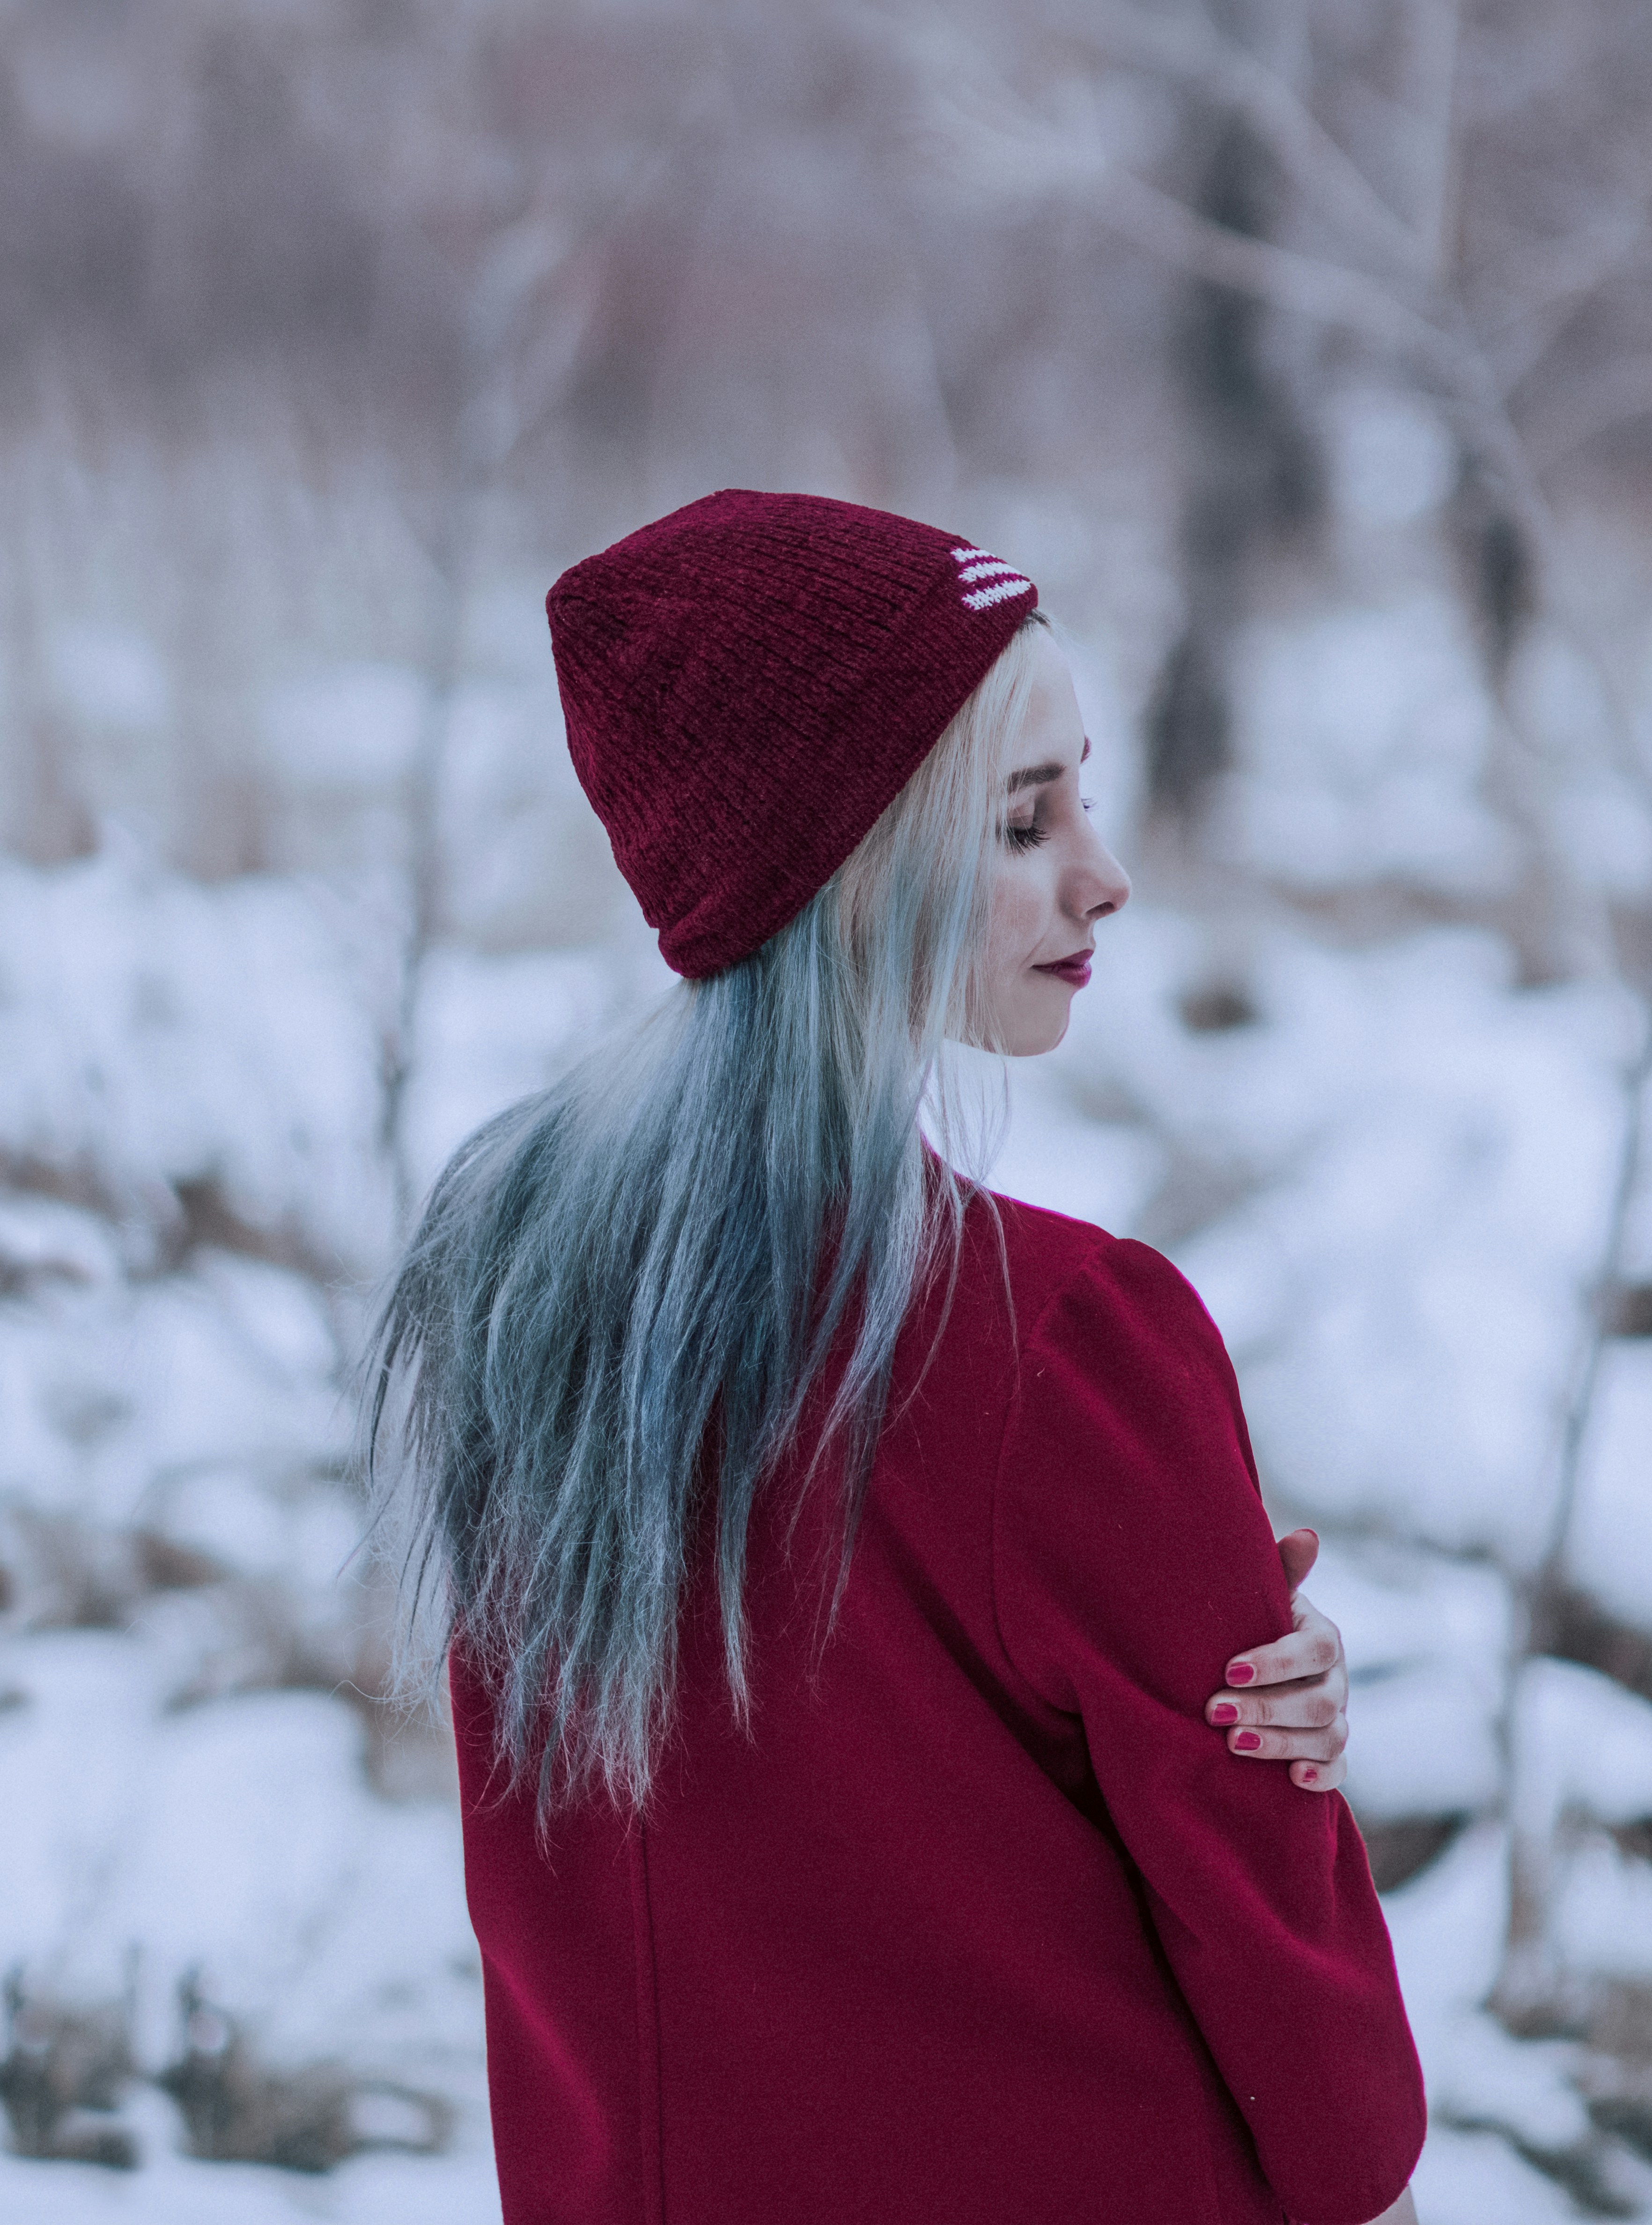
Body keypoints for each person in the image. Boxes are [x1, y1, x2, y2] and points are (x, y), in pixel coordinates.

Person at [369, 490, 1425, 2225]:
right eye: (1023, 822)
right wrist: (1284, 1756)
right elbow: (1329, 2096)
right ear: (852, 866)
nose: (1104, 870)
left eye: (1085, 790)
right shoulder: (1070, 1344)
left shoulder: (516, 1320)